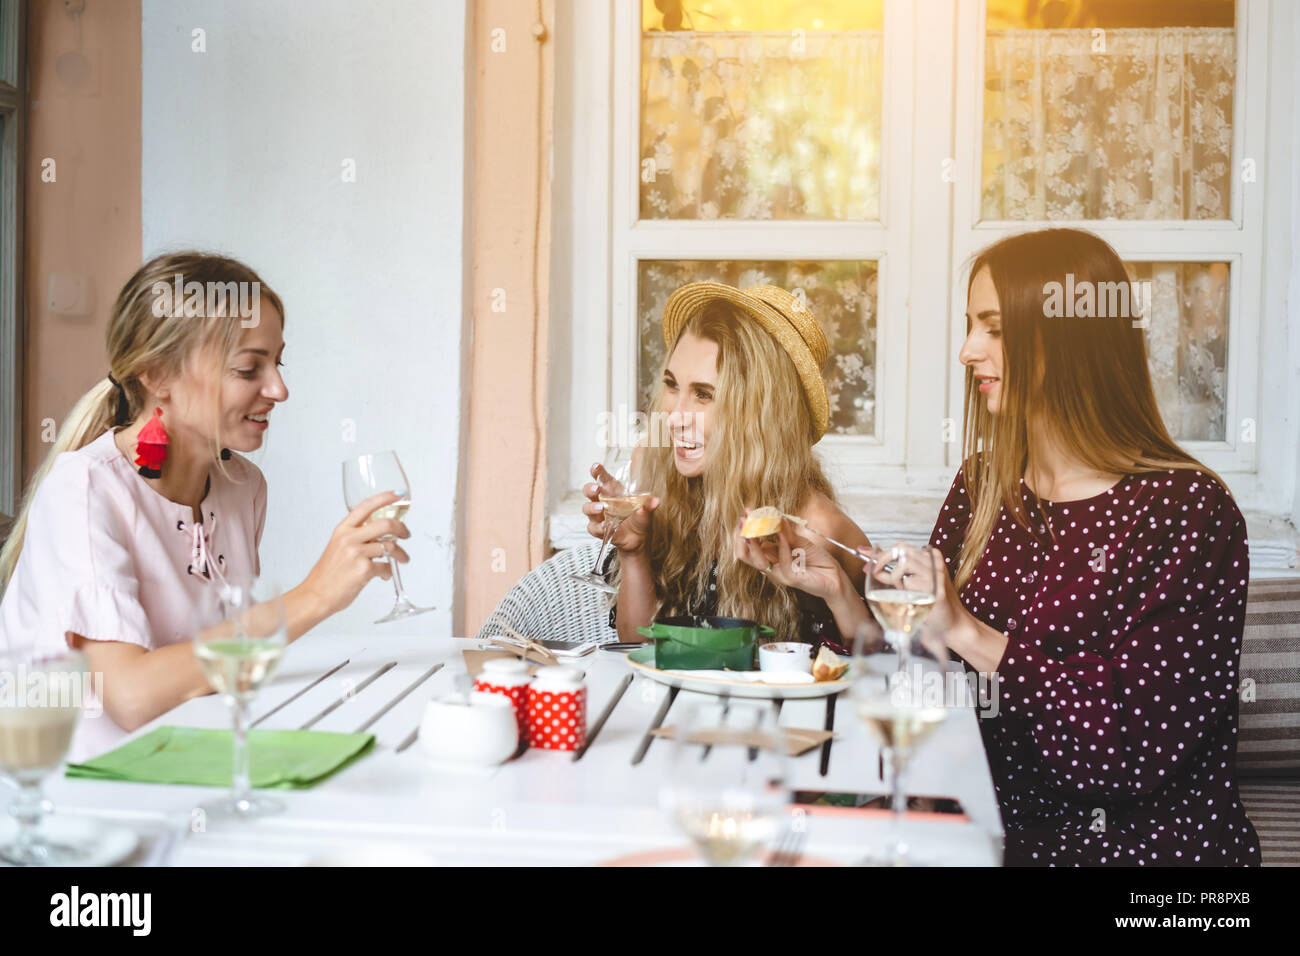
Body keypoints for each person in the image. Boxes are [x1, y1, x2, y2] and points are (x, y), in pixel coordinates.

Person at [896, 228, 1257, 865]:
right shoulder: (982, 484)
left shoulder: (1187, 512)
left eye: (995, 329)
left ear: (1070, 340)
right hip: (988, 837)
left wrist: (971, 632)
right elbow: (924, 670)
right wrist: (842, 593)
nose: (966, 350)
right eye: (970, 326)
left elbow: (1132, 748)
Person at [0, 252, 410, 761]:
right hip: (82, 793)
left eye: (277, 362)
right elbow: (133, 697)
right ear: (156, 373)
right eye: (248, 368)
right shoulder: (86, 490)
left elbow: (226, 659)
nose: (279, 389)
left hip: (187, 762)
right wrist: (315, 596)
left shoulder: (243, 488)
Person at [581, 282, 870, 646]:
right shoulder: (653, 466)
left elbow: (875, 658)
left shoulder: (817, 525)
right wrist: (633, 552)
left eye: (703, 395)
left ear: (760, 414)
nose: (674, 418)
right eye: (672, 386)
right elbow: (640, 646)